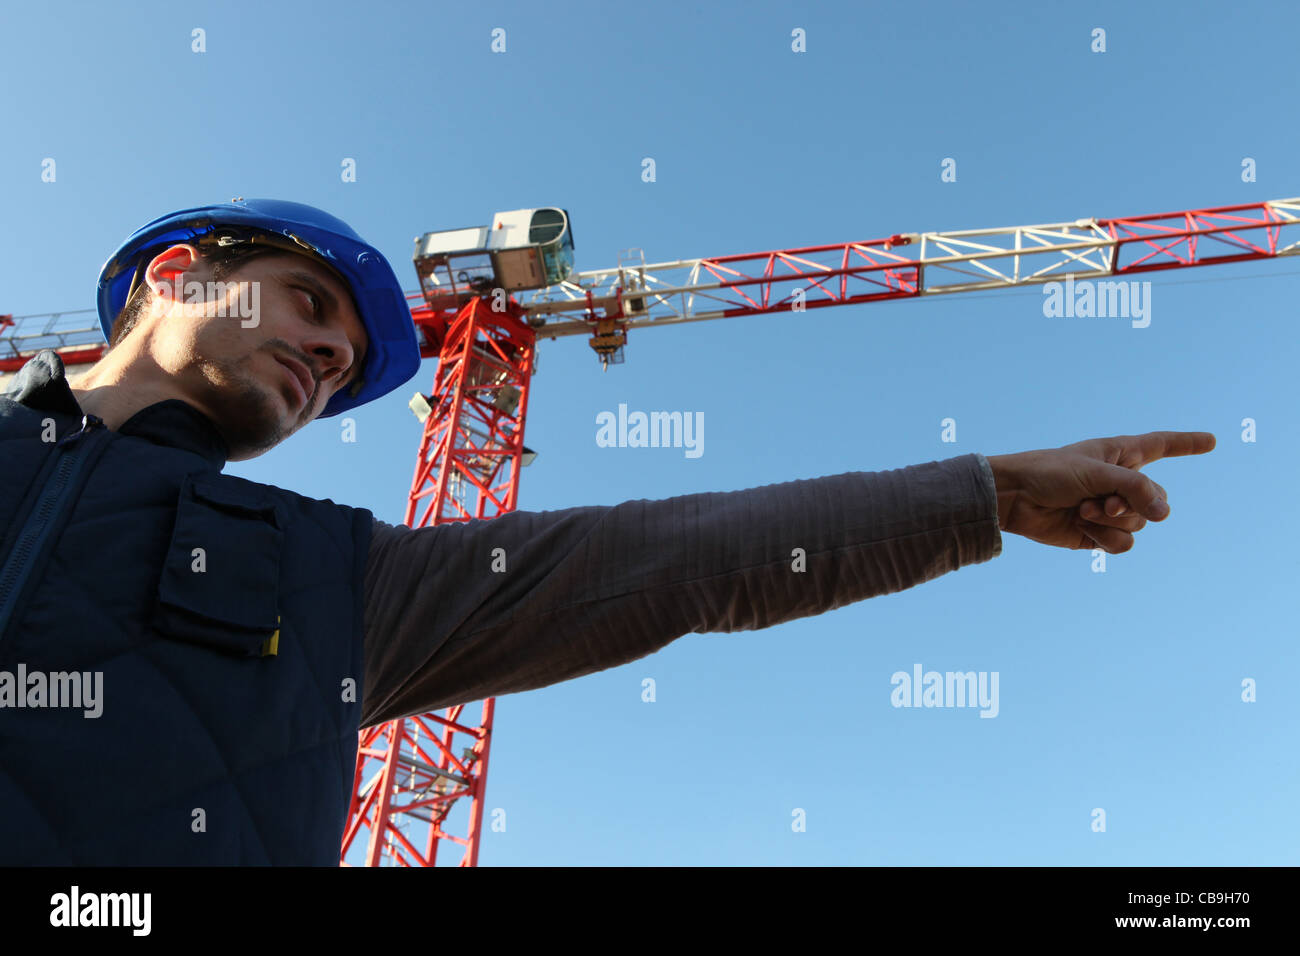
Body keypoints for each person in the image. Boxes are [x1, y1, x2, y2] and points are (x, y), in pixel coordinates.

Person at [0, 199, 1215, 865]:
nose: (327, 355)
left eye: (347, 364)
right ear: (174, 273)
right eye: (310, 307)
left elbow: (662, 556)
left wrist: (983, 490)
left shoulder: (326, 575)